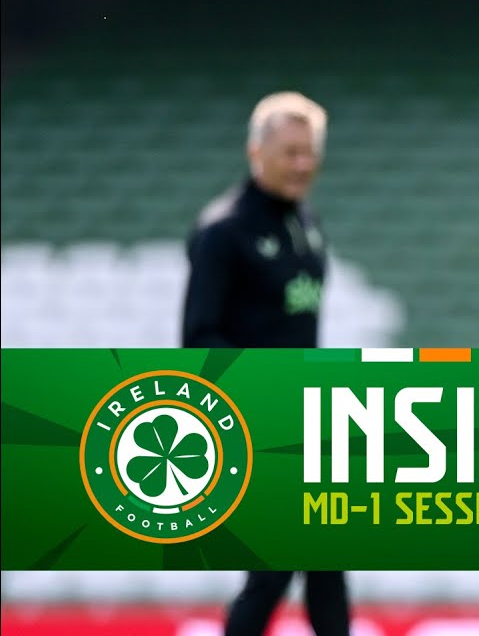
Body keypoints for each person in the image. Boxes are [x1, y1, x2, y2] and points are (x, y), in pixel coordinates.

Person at [181, 91, 350, 636]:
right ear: (256, 152)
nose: (302, 164)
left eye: (310, 153)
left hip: (306, 422)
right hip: (259, 424)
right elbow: (199, 337)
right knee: (279, 568)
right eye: (290, 152)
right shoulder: (223, 231)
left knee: (322, 561)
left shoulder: (306, 222)